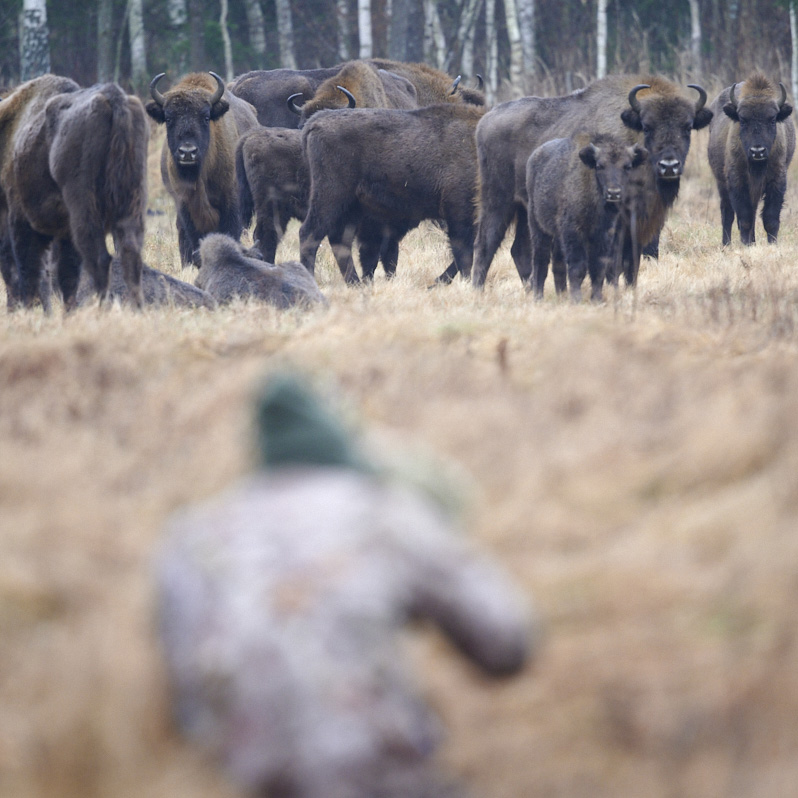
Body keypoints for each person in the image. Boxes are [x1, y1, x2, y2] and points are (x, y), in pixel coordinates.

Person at [155, 372, 539, 797]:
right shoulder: (379, 513)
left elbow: (185, 709)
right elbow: (506, 643)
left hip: (245, 784)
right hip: (377, 777)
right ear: (337, 451)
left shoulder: (190, 540)